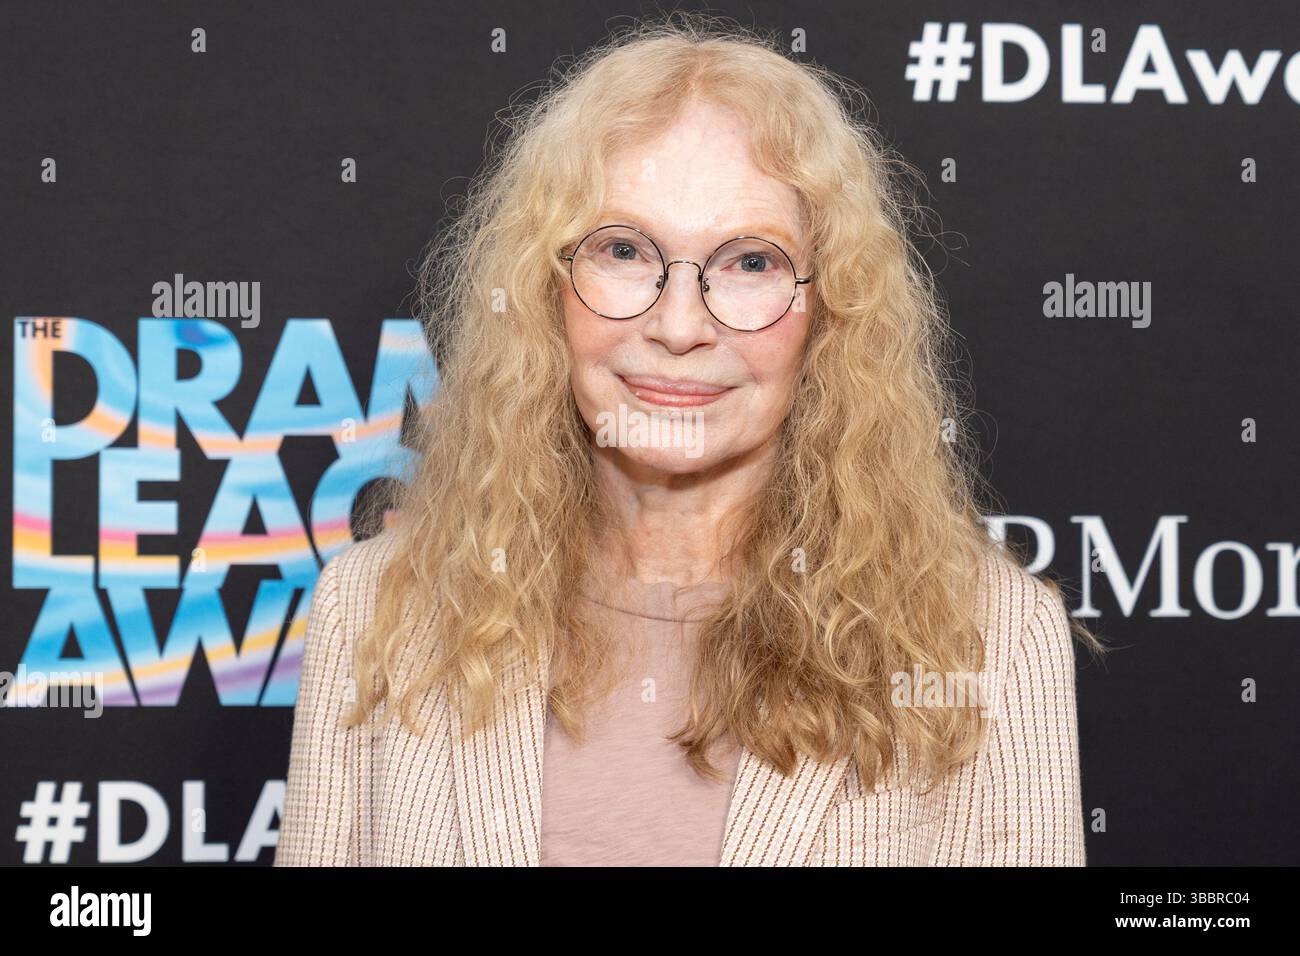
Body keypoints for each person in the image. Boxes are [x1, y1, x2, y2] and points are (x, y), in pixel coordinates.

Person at [275, 13, 1101, 867]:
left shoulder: (992, 641)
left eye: (750, 263)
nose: (679, 325)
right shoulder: (377, 614)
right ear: (542, 291)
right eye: (624, 249)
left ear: (829, 314)